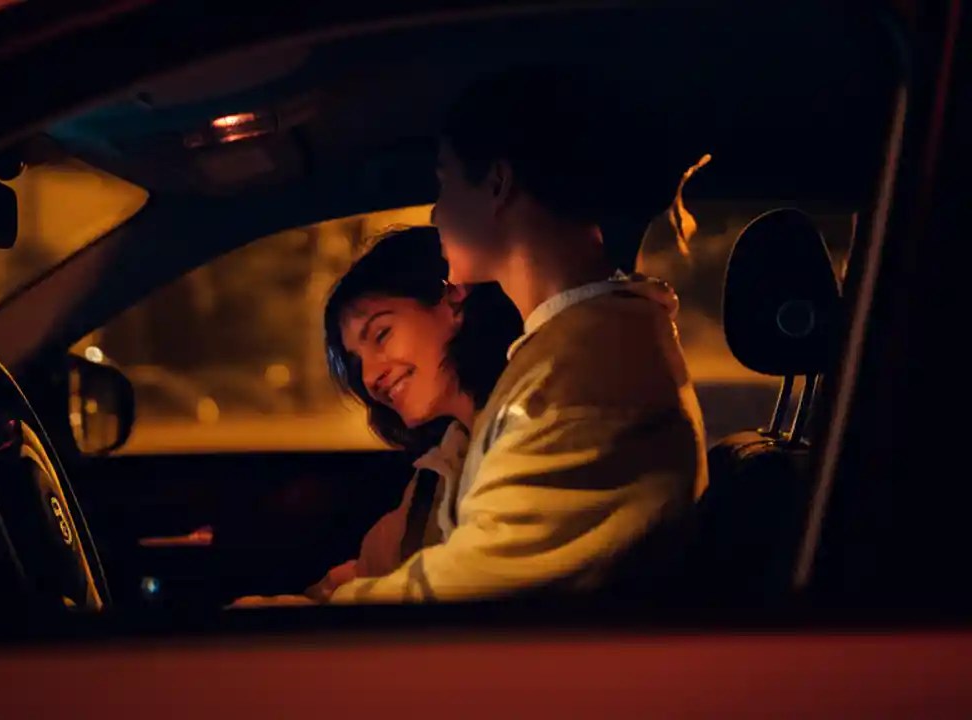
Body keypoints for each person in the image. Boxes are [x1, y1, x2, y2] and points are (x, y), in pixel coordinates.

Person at [329, 66, 709, 604]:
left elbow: (473, 587)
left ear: (497, 185)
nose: (436, 212)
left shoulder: (589, 373)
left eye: (445, 183)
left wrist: (282, 624)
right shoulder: (565, 350)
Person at [232, 225, 521, 607]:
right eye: (357, 361)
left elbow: (480, 575)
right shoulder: (444, 463)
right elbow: (379, 563)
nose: (370, 377)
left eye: (381, 335)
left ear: (452, 298)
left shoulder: (521, 432)